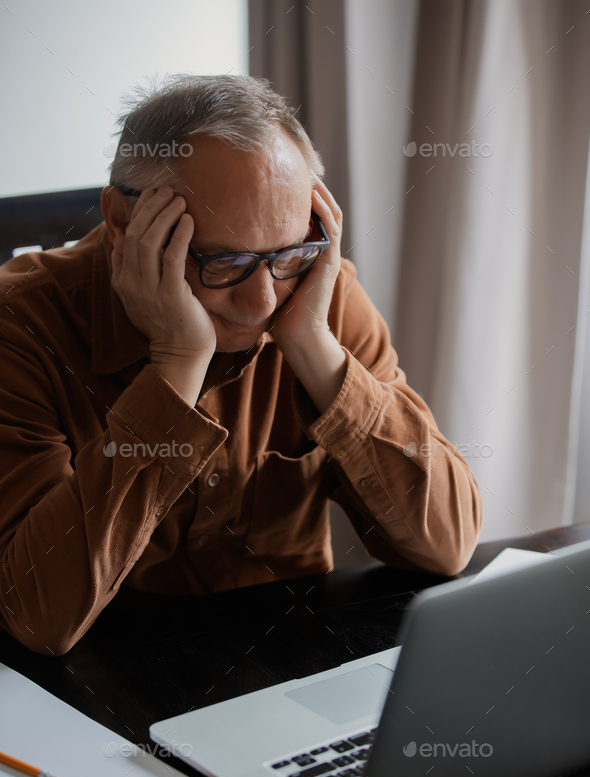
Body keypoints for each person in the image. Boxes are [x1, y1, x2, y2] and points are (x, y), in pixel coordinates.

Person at [0, 74, 482, 656]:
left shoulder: (313, 297)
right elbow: (37, 617)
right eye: (224, 262)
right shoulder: (18, 327)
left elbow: (447, 544)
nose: (262, 303)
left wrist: (313, 346)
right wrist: (177, 362)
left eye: (288, 254)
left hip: (286, 663)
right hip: (96, 691)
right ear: (125, 224)